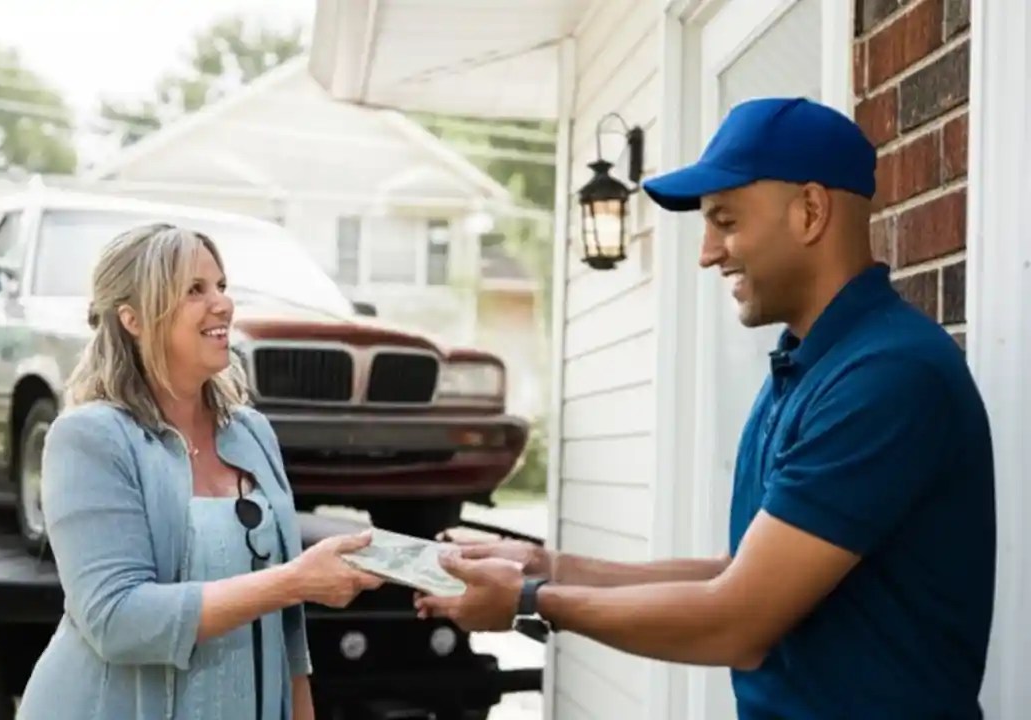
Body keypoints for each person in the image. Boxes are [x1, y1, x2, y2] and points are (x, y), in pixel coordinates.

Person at [416, 97, 996, 719]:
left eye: (724, 220)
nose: (707, 252)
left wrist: (532, 598)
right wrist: (549, 564)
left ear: (810, 211)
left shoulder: (887, 375)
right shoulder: (806, 367)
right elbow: (739, 573)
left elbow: (737, 622)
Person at [17, 223, 384, 720]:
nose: (222, 304)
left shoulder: (252, 432)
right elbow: (116, 619)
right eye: (194, 290)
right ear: (133, 318)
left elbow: (287, 632)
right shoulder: (90, 438)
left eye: (221, 286)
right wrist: (295, 580)